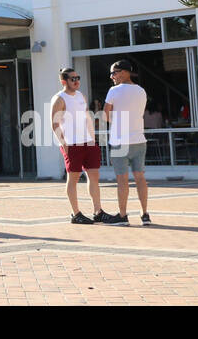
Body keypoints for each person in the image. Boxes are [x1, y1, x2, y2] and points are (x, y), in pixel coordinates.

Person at [52, 66, 108, 224]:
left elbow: (87, 118)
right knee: (73, 178)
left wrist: (93, 139)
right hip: (72, 143)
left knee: (94, 176)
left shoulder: (81, 96)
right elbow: (54, 124)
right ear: (64, 81)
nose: (76, 81)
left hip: (88, 142)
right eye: (72, 79)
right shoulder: (59, 99)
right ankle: (76, 214)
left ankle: (98, 211)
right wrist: (64, 144)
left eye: (78, 78)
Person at [104, 59, 150, 225]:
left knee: (122, 179)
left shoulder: (114, 91)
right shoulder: (141, 91)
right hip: (139, 139)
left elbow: (105, 115)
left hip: (119, 141)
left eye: (114, 72)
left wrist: (116, 121)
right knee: (140, 177)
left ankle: (123, 215)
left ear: (124, 72)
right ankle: (145, 214)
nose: (112, 77)